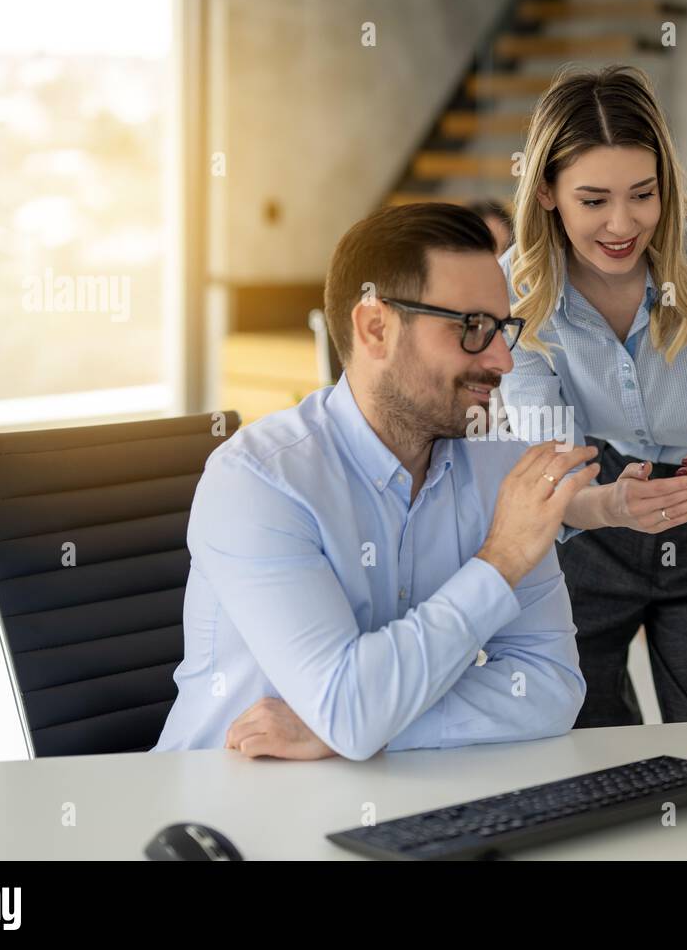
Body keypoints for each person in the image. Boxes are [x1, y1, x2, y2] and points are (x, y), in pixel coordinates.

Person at [154, 203, 600, 760]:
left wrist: (346, 729)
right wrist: (501, 558)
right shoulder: (260, 480)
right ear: (375, 328)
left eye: (504, 329)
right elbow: (349, 711)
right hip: (227, 812)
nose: (503, 361)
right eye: (472, 328)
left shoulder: (499, 469)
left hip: (399, 799)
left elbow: (551, 689)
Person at [499, 65, 687, 727]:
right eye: (593, 199)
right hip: (590, 516)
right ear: (547, 191)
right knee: (587, 746)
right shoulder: (517, 291)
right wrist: (607, 505)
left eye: (643, 194)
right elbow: (550, 466)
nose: (622, 223)